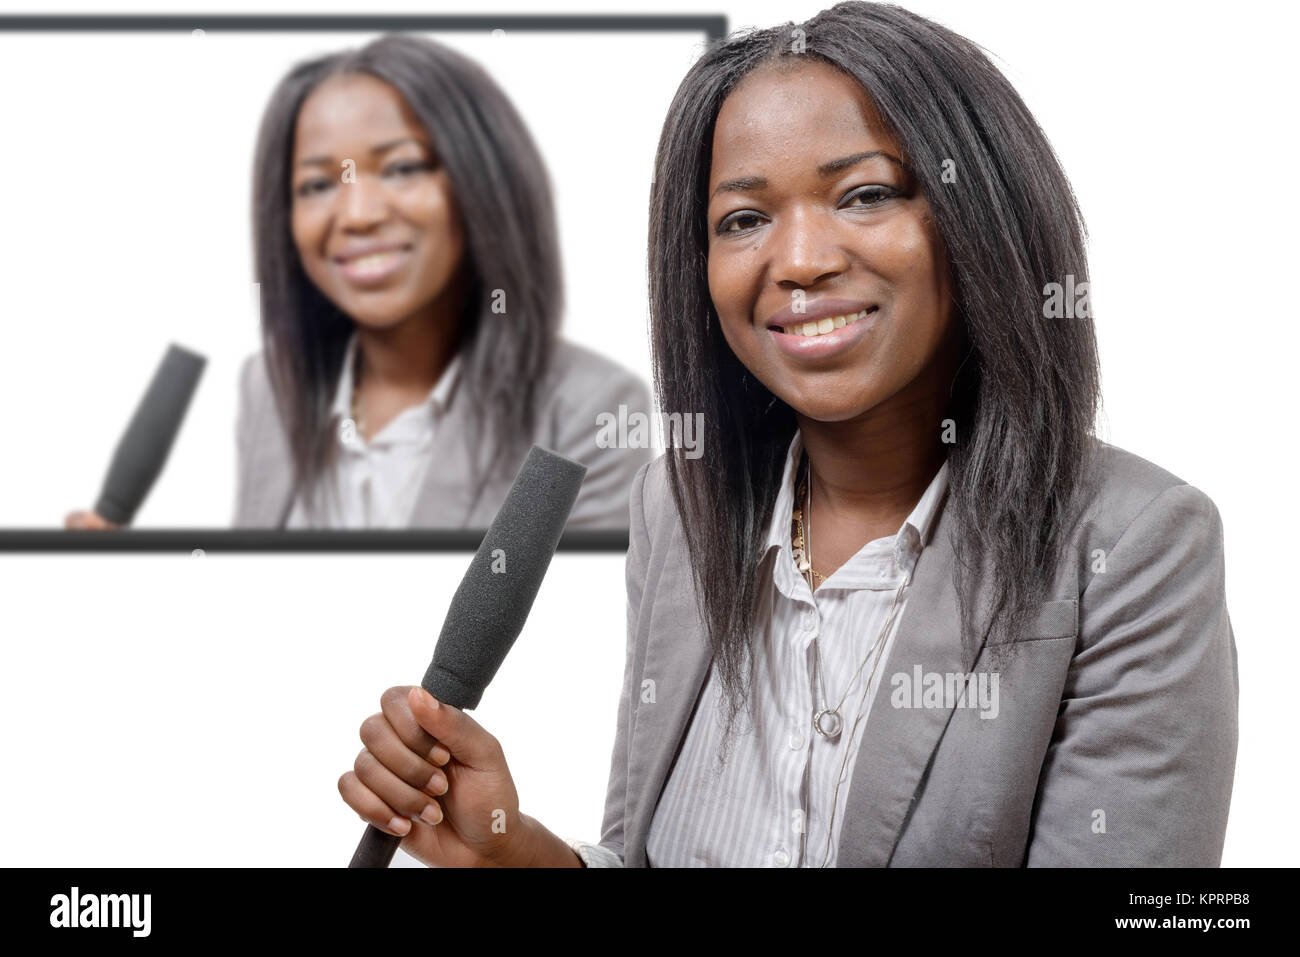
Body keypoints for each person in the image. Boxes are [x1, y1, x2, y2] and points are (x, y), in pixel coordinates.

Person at [337, 3, 1238, 866]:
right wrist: (515, 855)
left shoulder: (1138, 543)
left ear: (982, 221)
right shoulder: (678, 506)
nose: (800, 259)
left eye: (865, 194)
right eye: (744, 218)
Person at [68, 34, 651, 531]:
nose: (356, 215)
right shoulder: (268, 387)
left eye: (401, 168)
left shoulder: (591, 410)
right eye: (318, 185)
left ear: (485, 183)